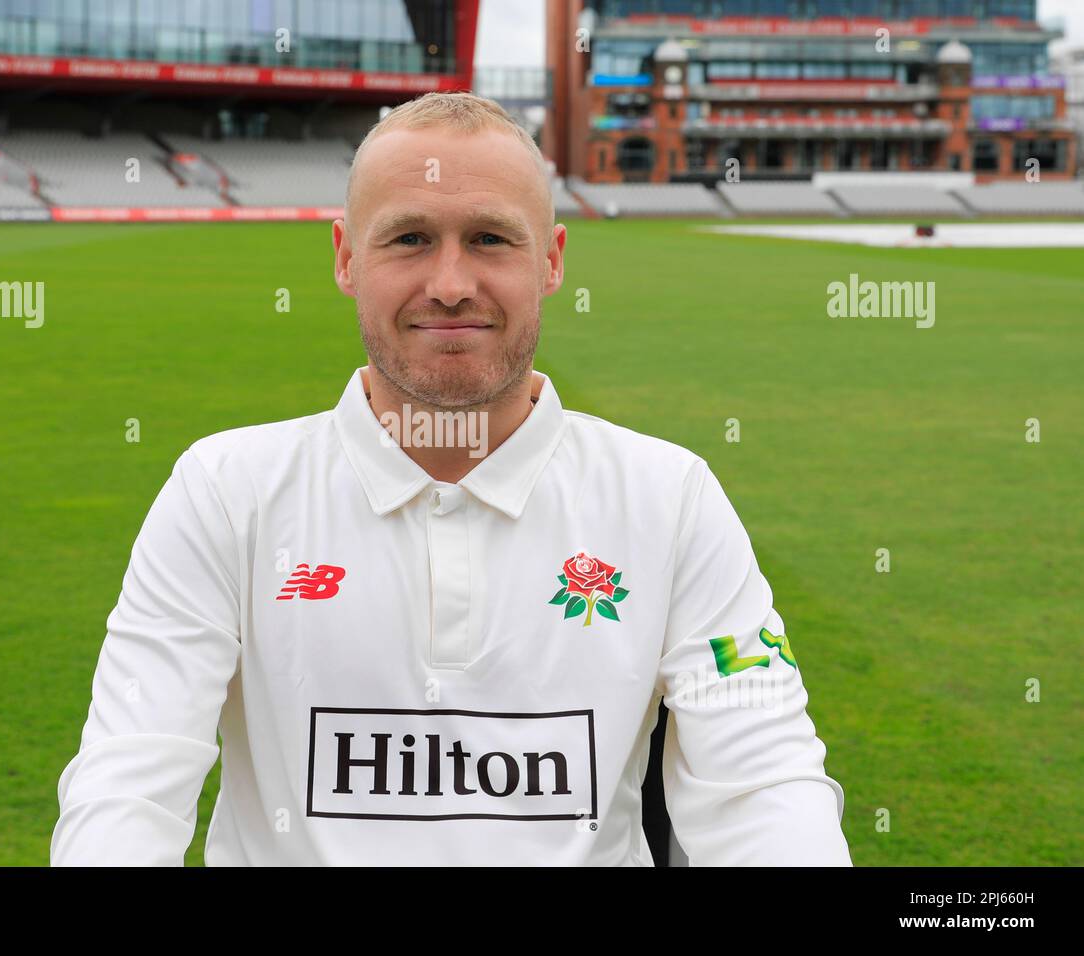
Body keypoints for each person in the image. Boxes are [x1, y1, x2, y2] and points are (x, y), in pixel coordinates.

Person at [50, 92, 852, 866]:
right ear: (344, 259)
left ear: (551, 261)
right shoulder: (226, 492)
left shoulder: (668, 497)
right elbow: (129, 783)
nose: (450, 283)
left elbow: (762, 783)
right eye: (407, 239)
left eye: (491, 239)